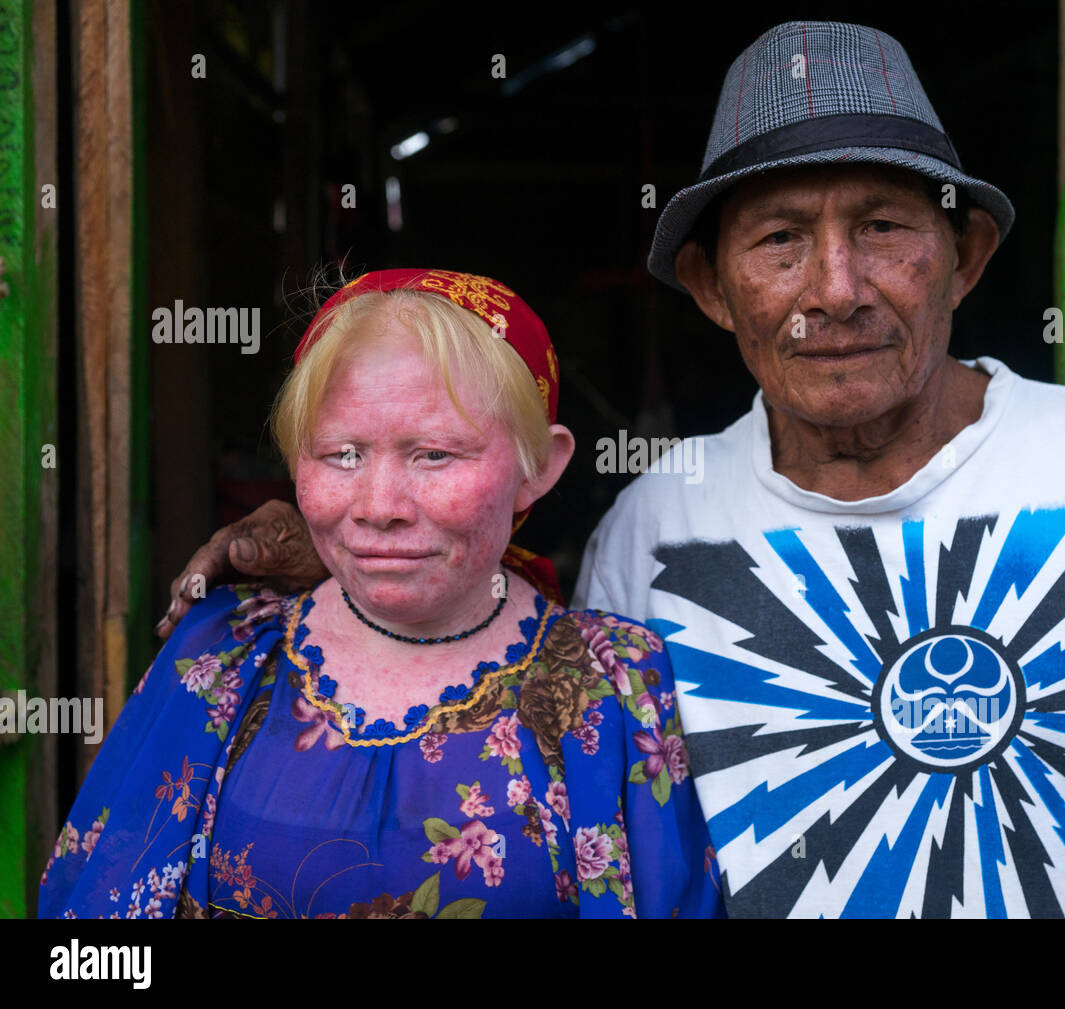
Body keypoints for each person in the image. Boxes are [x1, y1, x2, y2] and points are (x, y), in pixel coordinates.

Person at [156, 24, 1065, 919]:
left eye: (887, 226)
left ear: (968, 256)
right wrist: (349, 539)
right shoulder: (655, 524)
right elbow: (530, 720)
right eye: (780, 239)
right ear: (711, 288)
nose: (836, 286)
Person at [40, 268, 723, 919]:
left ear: (537, 468)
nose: (380, 505)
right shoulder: (225, 654)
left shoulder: (613, 684)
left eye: (433, 454)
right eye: (342, 454)